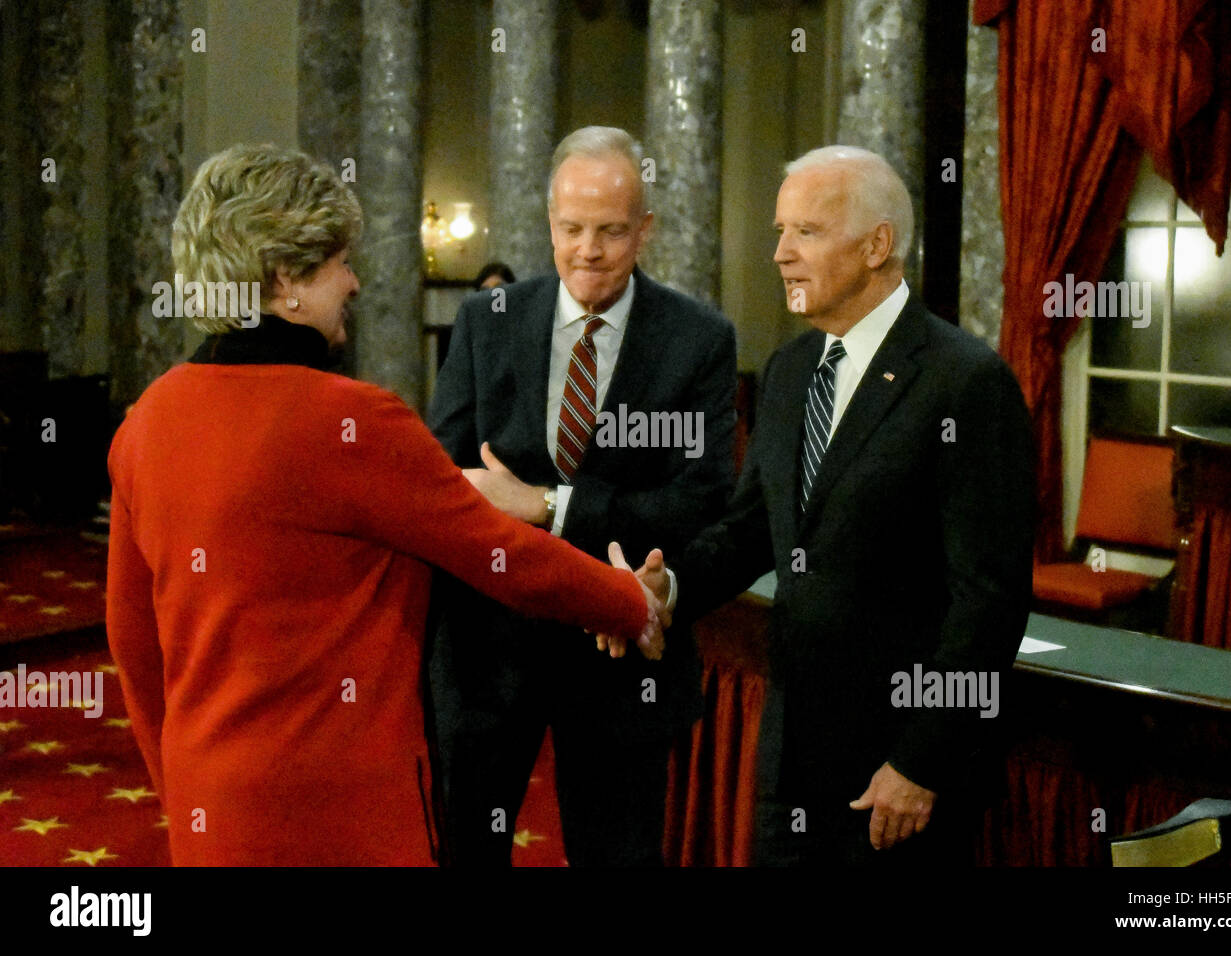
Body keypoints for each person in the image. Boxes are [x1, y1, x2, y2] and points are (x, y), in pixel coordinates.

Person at [105, 143, 662, 867]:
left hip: (212, 809)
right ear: (283, 279)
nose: (355, 281)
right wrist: (630, 601)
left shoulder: (148, 419)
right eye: (337, 261)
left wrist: (181, 781)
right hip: (346, 815)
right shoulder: (352, 421)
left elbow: (131, 637)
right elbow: (502, 553)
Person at [615, 145, 1035, 866]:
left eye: (805, 232)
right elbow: (753, 529)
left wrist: (920, 763)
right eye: (780, 231)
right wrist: (671, 586)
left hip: (897, 777)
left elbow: (988, 602)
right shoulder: (789, 370)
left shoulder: (966, 383)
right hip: (793, 757)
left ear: (878, 245)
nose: (780, 253)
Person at [428, 126, 737, 866]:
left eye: (610, 231)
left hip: (622, 650)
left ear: (646, 230)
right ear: (549, 223)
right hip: (489, 646)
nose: (588, 250)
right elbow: (444, 481)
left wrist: (547, 505)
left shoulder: (698, 339)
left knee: (617, 854)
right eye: (571, 229)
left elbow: (698, 502)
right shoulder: (485, 322)